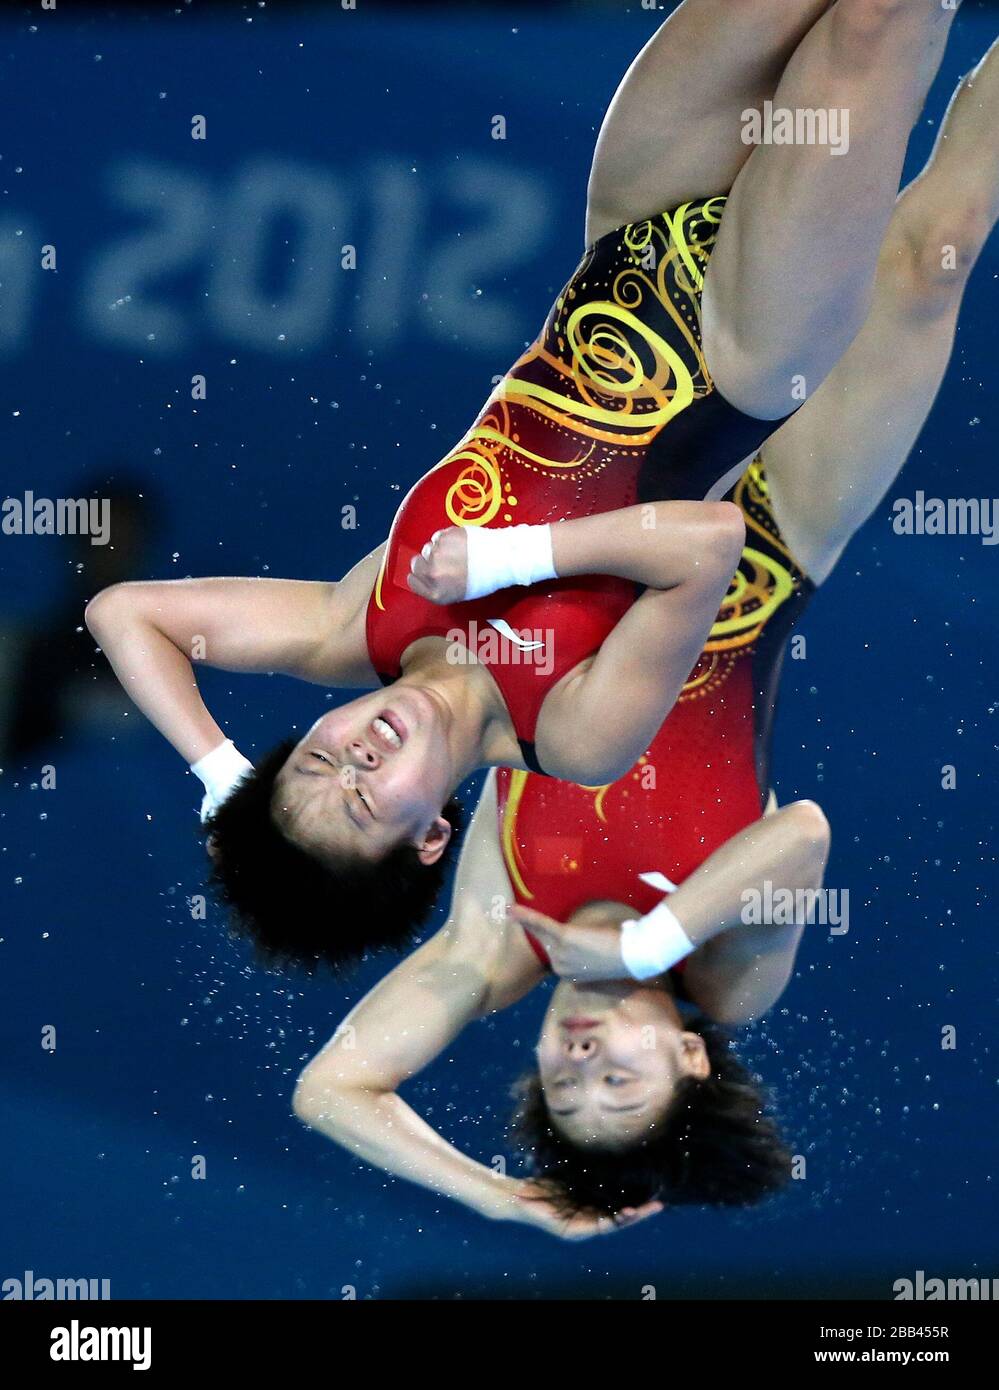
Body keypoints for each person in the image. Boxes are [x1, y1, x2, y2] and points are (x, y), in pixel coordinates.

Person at [87, 0, 963, 968]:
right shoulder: (575, 734)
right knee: (877, 20)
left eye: (317, 758)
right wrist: (515, 554)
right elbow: (708, 550)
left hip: (625, 230)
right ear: (431, 839)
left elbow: (127, 613)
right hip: (744, 348)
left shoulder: (358, 624)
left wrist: (223, 777)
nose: (357, 756)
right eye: (365, 799)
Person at [290, 42, 999, 1233]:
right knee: (932, 254)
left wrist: (510, 1203)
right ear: (693, 1059)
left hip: (632, 494)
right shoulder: (728, 973)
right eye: (617, 1078)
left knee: (813, 123)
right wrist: (662, 933)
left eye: (564, 1085)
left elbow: (331, 1088)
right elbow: (801, 839)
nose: (580, 1058)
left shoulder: (493, 937)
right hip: (777, 535)